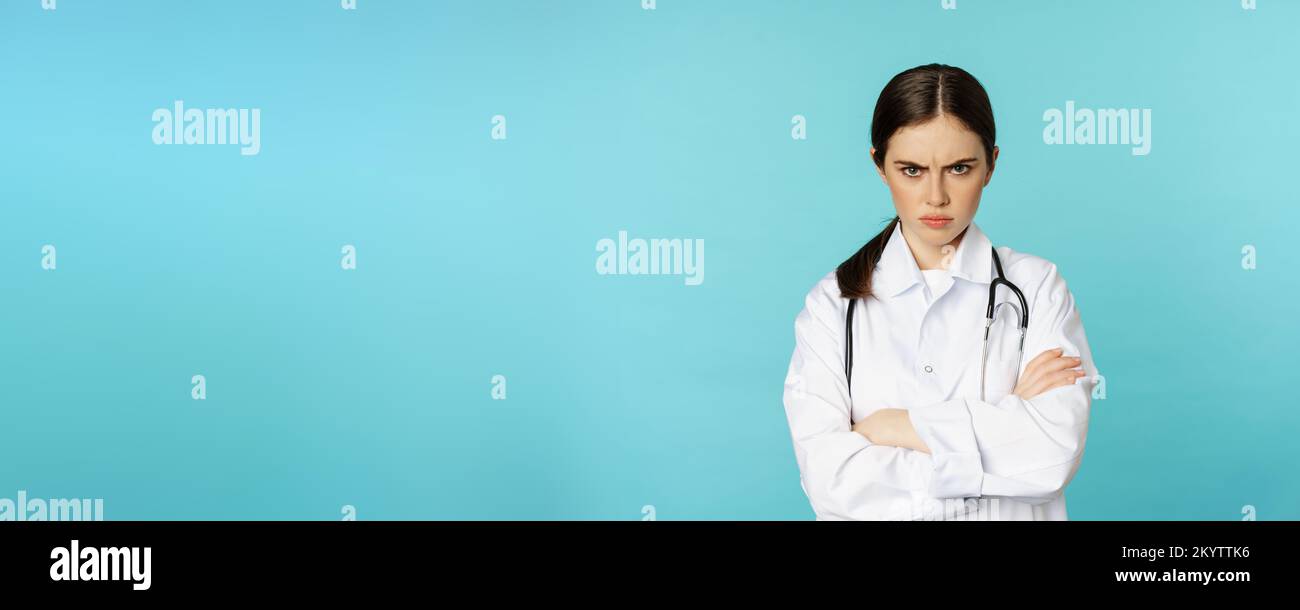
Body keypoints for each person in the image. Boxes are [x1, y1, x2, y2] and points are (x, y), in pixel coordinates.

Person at [781, 63, 1098, 521]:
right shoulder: (832, 306)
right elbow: (832, 482)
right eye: (911, 169)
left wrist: (896, 428)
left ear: (990, 165)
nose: (936, 196)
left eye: (959, 168)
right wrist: (1003, 425)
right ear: (879, 165)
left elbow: (1052, 454)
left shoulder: (1037, 287)